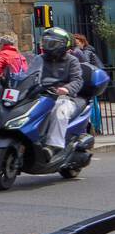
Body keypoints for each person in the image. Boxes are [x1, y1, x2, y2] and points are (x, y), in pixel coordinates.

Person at [38, 27, 84, 161]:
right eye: (45, 42)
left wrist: (67, 89)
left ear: (62, 45)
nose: (47, 45)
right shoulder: (39, 59)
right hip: (41, 95)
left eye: (51, 43)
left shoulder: (71, 60)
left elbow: (77, 80)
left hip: (63, 98)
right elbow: (29, 74)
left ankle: (54, 146)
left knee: (60, 110)